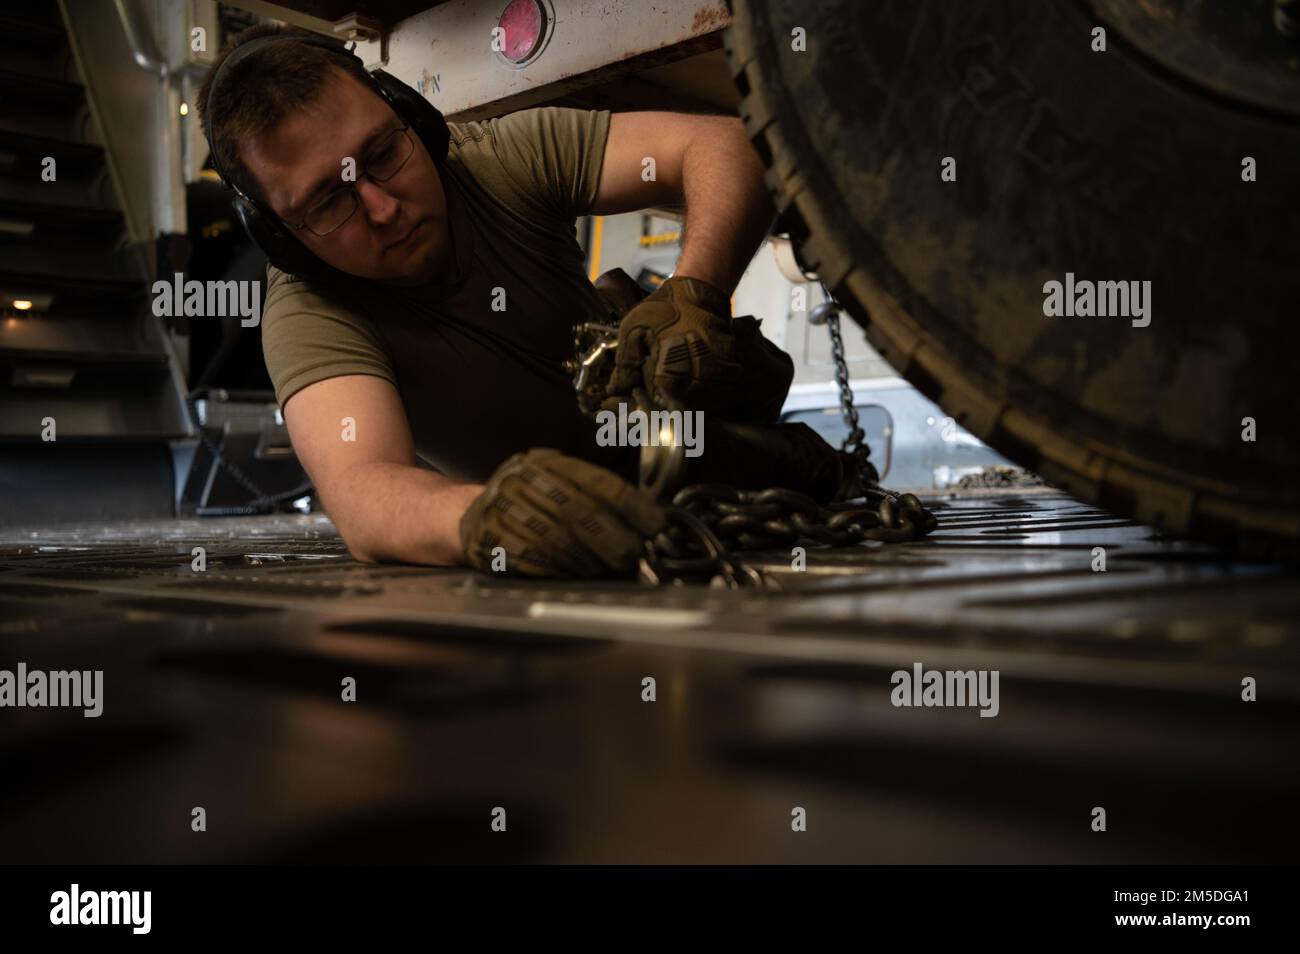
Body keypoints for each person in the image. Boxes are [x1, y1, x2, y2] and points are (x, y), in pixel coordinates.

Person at [198, 23, 846, 577]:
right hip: (584, 536)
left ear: (409, 115)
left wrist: (696, 291)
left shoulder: (498, 161)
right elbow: (363, 491)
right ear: (279, 235)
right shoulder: (310, 309)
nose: (383, 207)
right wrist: (483, 516)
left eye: (383, 151)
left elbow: (725, 145)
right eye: (327, 201)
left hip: (710, 459)